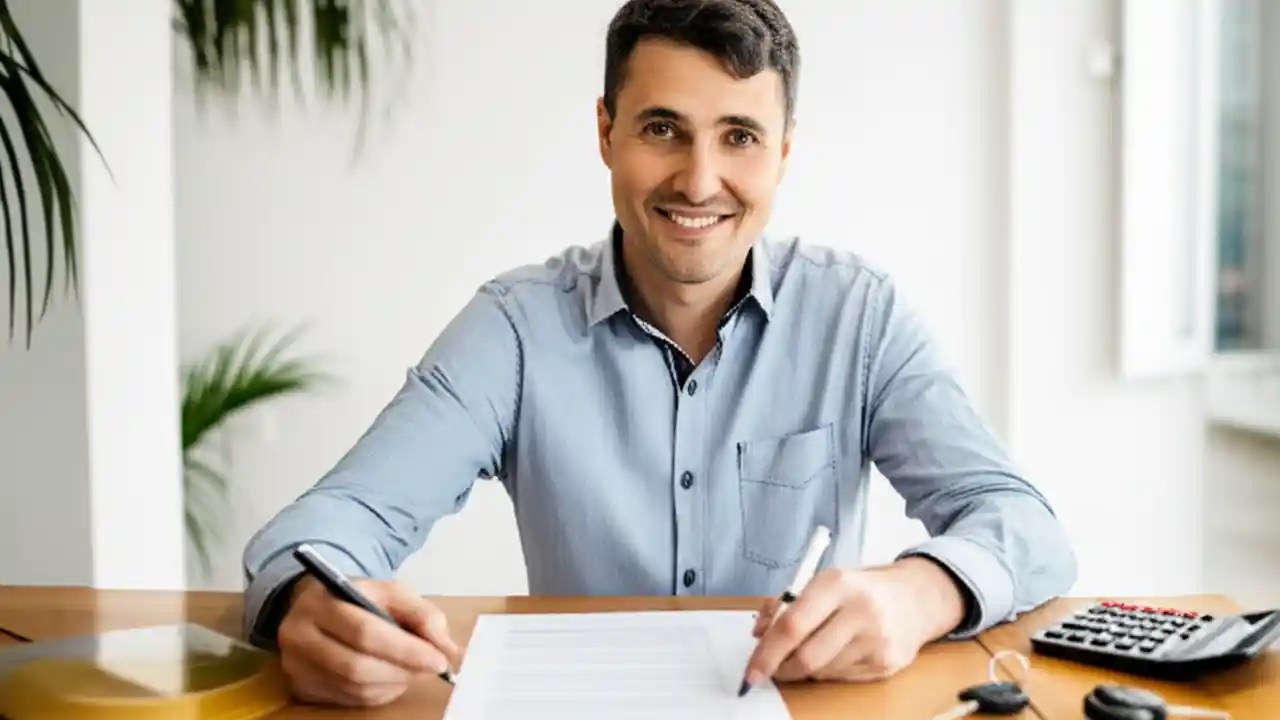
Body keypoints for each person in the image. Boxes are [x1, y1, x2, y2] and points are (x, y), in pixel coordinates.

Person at [242, 0, 1077, 708]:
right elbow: (324, 529)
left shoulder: (860, 318)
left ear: (784, 152)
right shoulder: (515, 330)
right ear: (606, 132)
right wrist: (307, 605)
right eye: (662, 129)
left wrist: (922, 592)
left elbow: (1027, 526)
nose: (699, 180)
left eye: (739, 136)